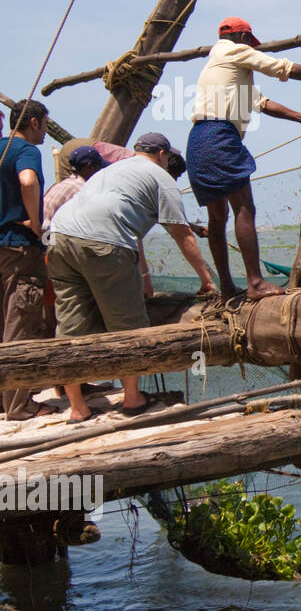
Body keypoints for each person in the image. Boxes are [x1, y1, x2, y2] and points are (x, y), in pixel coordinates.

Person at [48, 133, 216, 422]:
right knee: (129, 328)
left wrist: (144, 274)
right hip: (104, 243)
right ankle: (133, 399)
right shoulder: (162, 178)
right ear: (162, 154)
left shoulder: (112, 169)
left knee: (70, 330)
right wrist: (208, 281)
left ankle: (77, 408)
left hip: (60, 239)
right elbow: (181, 233)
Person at [188, 16, 301, 301]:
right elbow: (285, 69)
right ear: (243, 39)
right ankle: (256, 283)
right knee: (244, 209)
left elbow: (261, 103)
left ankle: (227, 287)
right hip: (219, 135)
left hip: (198, 139)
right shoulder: (231, 50)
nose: (252, 49)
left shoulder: (223, 68)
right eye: (251, 44)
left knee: (218, 218)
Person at [0, 98, 55, 419]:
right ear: (33, 122)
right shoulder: (26, 152)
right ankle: (19, 405)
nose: (46, 132)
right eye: (45, 125)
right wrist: (35, 223)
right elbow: (28, 181)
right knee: (21, 325)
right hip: (20, 247)